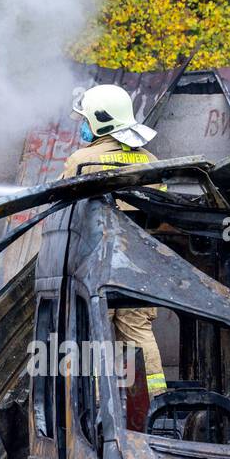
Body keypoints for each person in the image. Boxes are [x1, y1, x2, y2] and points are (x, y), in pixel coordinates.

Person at [63, 84, 166, 395]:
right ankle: (156, 404)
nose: (81, 125)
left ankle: (97, 406)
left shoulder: (81, 161)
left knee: (94, 334)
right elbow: (160, 214)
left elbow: (62, 209)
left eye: (85, 119)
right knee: (138, 332)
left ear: (99, 120)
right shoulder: (150, 159)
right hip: (139, 266)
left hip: (95, 265)